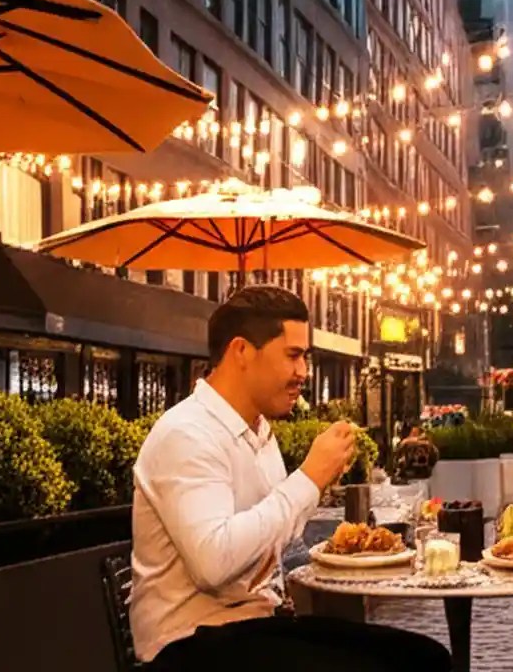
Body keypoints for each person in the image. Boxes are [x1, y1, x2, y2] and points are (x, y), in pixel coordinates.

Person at [131, 285, 450, 671]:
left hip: (252, 628)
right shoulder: (187, 433)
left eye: (306, 357)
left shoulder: (259, 432)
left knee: (423, 657)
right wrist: (309, 478)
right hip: (187, 646)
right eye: (293, 356)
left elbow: (278, 542)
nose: (304, 372)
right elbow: (214, 564)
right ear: (242, 352)